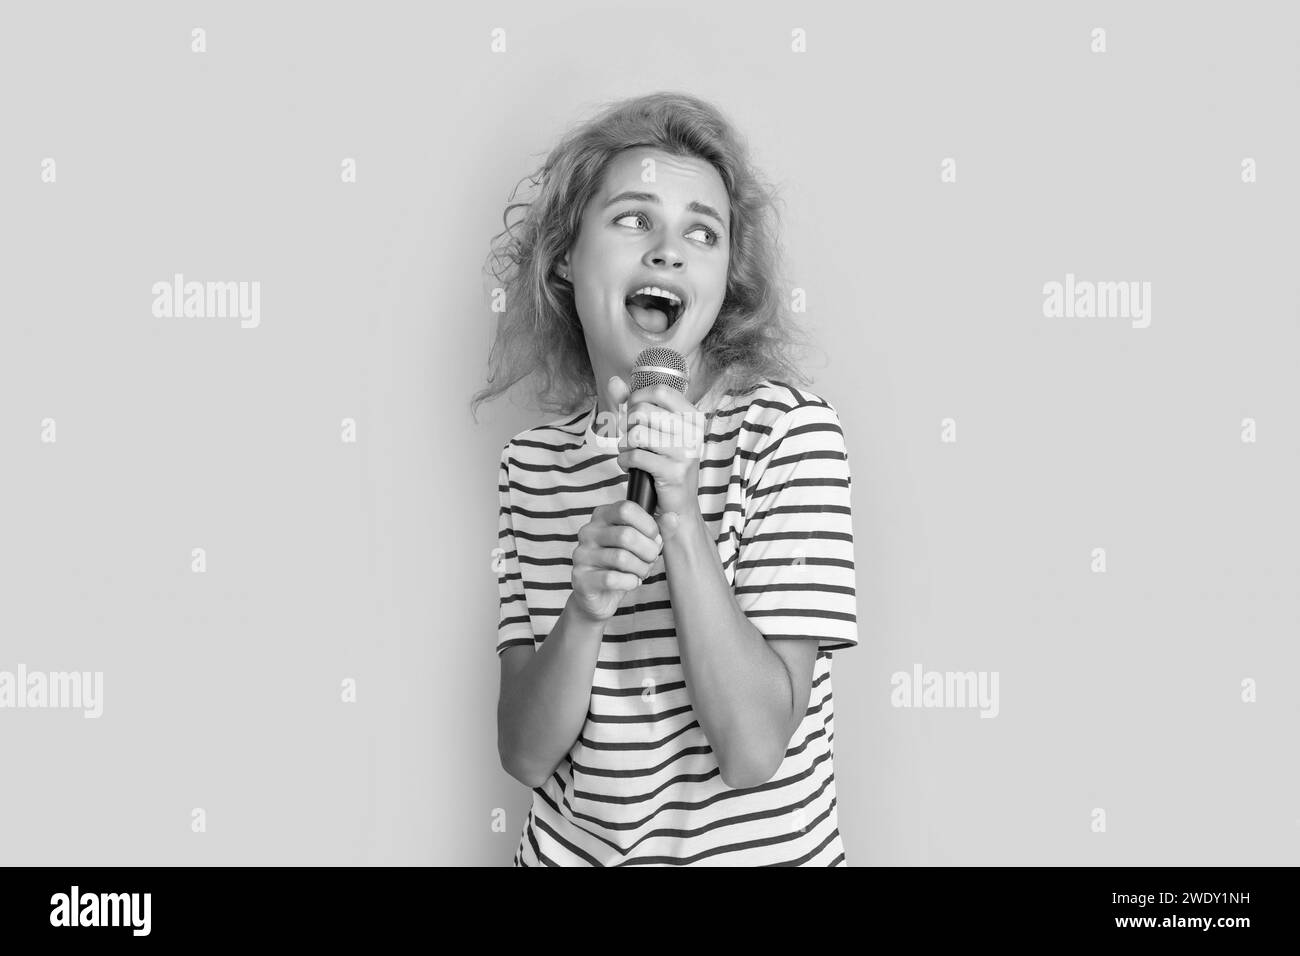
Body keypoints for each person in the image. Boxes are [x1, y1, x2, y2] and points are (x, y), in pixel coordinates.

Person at [471, 91, 859, 865]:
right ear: (565, 258)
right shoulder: (532, 466)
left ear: (724, 282)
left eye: (702, 232)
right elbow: (525, 753)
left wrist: (681, 518)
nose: (668, 251)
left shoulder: (786, 434)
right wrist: (583, 611)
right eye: (634, 218)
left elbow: (752, 752)